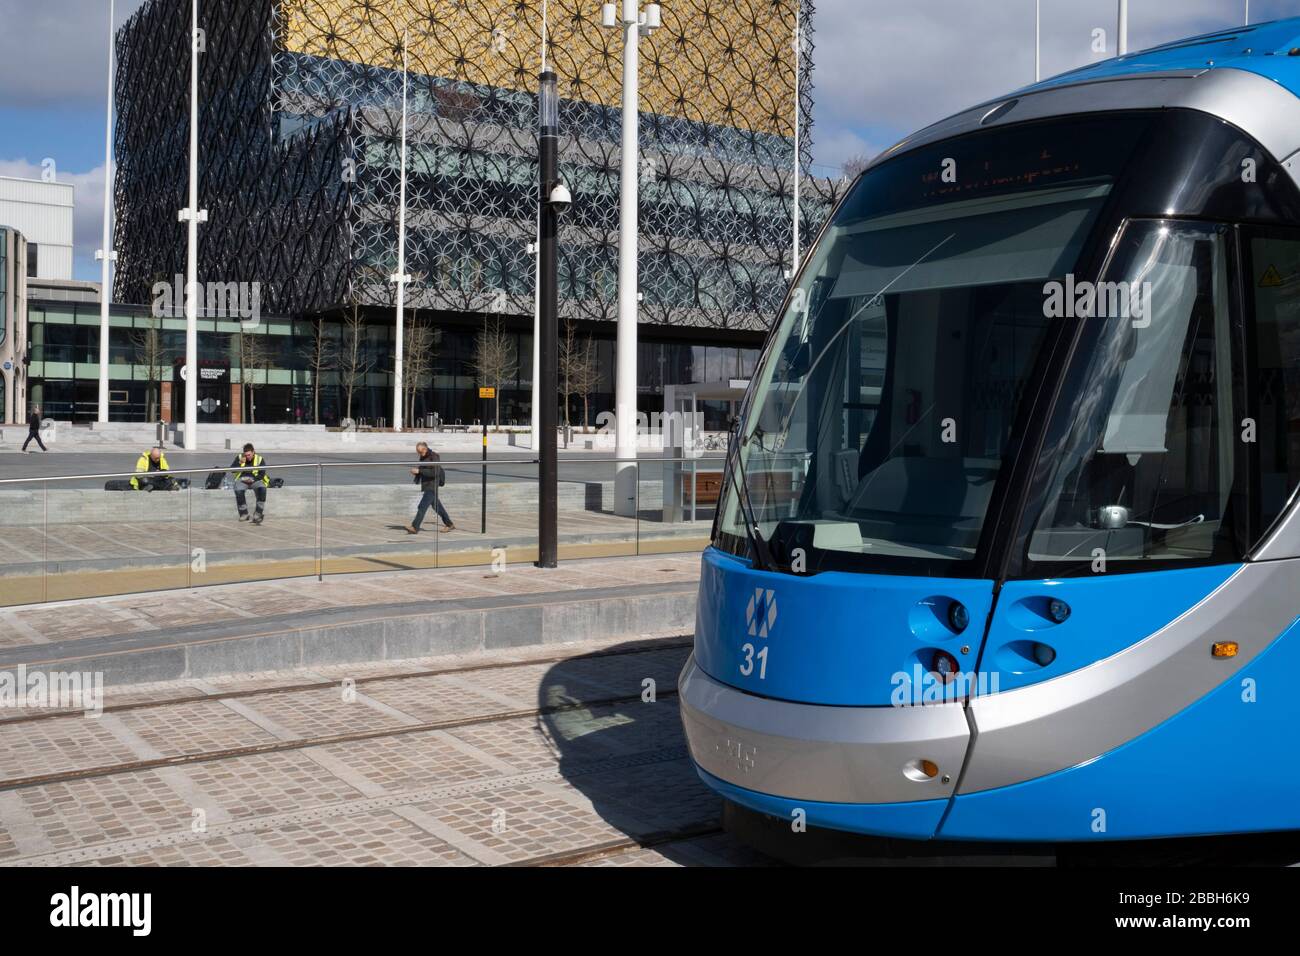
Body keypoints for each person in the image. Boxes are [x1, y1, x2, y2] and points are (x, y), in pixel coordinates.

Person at [405, 441, 454, 533]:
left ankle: (415, 527)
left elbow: (435, 473)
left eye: (420, 452)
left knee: (422, 506)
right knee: (437, 507)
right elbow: (424, 469)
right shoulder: (424, 457)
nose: (419, 454)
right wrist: (418, 472)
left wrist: (419, 471)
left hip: (432, 485)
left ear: (425, 448)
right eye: (418, 452)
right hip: (427, 484)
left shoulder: (434, 457)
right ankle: (449, 524)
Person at [230, 443, 270, 524]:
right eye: (246, 455)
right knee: (238, 490)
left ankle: (258, 513)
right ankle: (244, 513)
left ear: (253, 452)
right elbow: (232, 470)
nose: (247, 457)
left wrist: (253, 480)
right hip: (242, 479)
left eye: (249, 455)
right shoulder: (240, 457)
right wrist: (239, 463)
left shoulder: (259, 459)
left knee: (262, 489)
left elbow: (262, 474)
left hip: (255, 479)